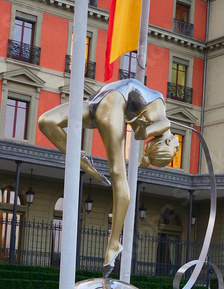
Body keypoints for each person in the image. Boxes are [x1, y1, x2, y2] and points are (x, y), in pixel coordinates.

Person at [38, 79, 179, 274]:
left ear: (168, 142)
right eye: (176, 150)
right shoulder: (161, 114)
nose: (177, 147)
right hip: (100, 102)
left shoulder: (164, 121)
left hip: (110, 101)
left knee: (118, 175)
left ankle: (113, 244)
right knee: (46, 121)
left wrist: (139, 125)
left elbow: (142, 133)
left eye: (175, 149)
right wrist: (138, 124)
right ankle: (83, 163)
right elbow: (141, 132)